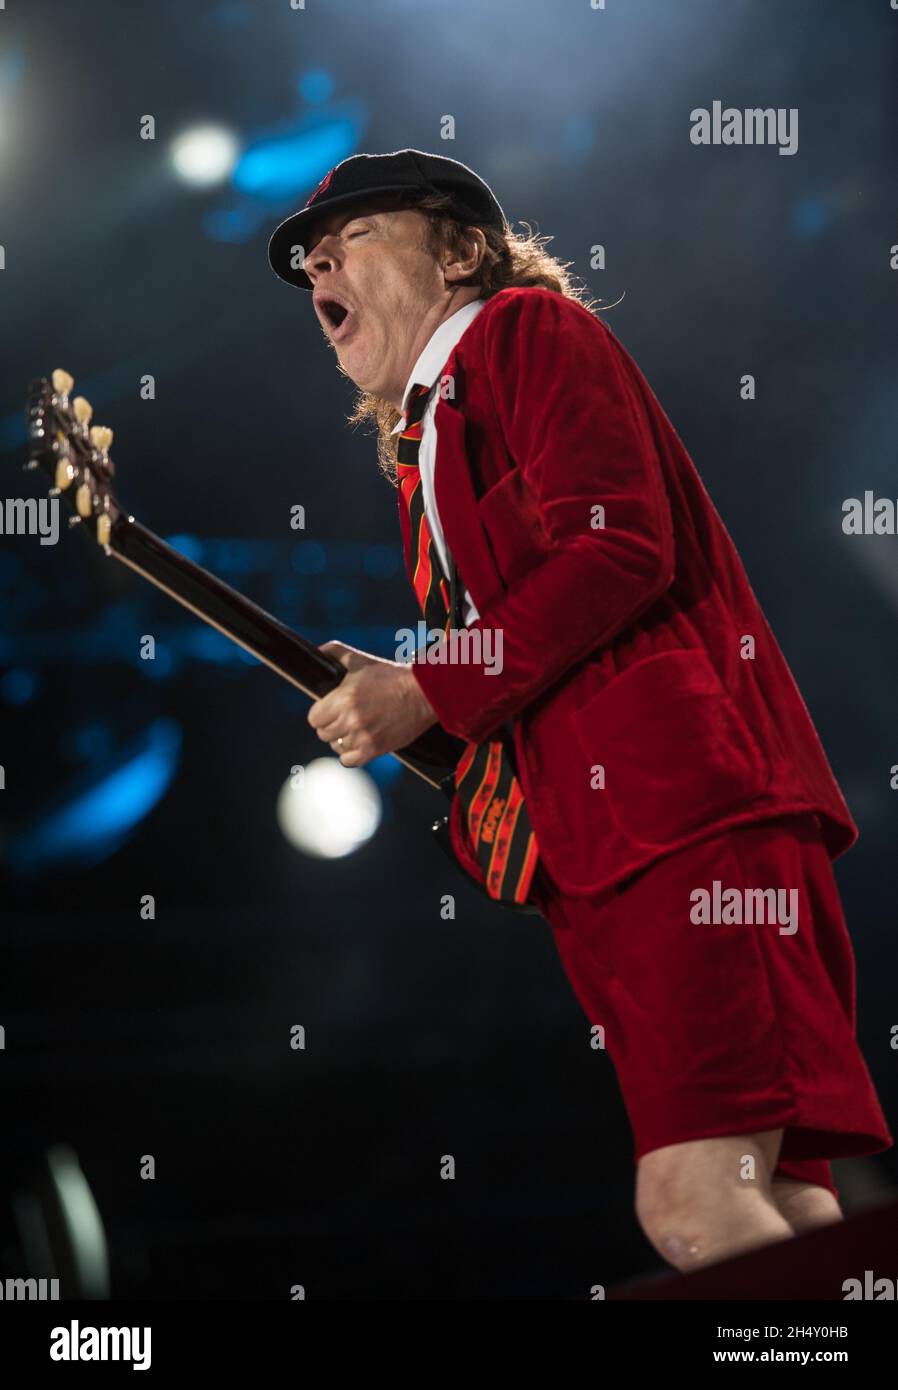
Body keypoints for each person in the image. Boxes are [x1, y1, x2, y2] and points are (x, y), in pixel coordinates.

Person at [268, 149, 892, 1272]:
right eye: (312, 257)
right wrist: (422, 690)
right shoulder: (429, 438)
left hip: (682, 818)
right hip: (606, 849)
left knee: (693, 1203)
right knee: (784, 1208)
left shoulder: (522, 334)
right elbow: (542, 647)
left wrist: (426, 685)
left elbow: (617, 548)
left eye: (354, 236)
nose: (319, 260)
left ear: (460, 250)